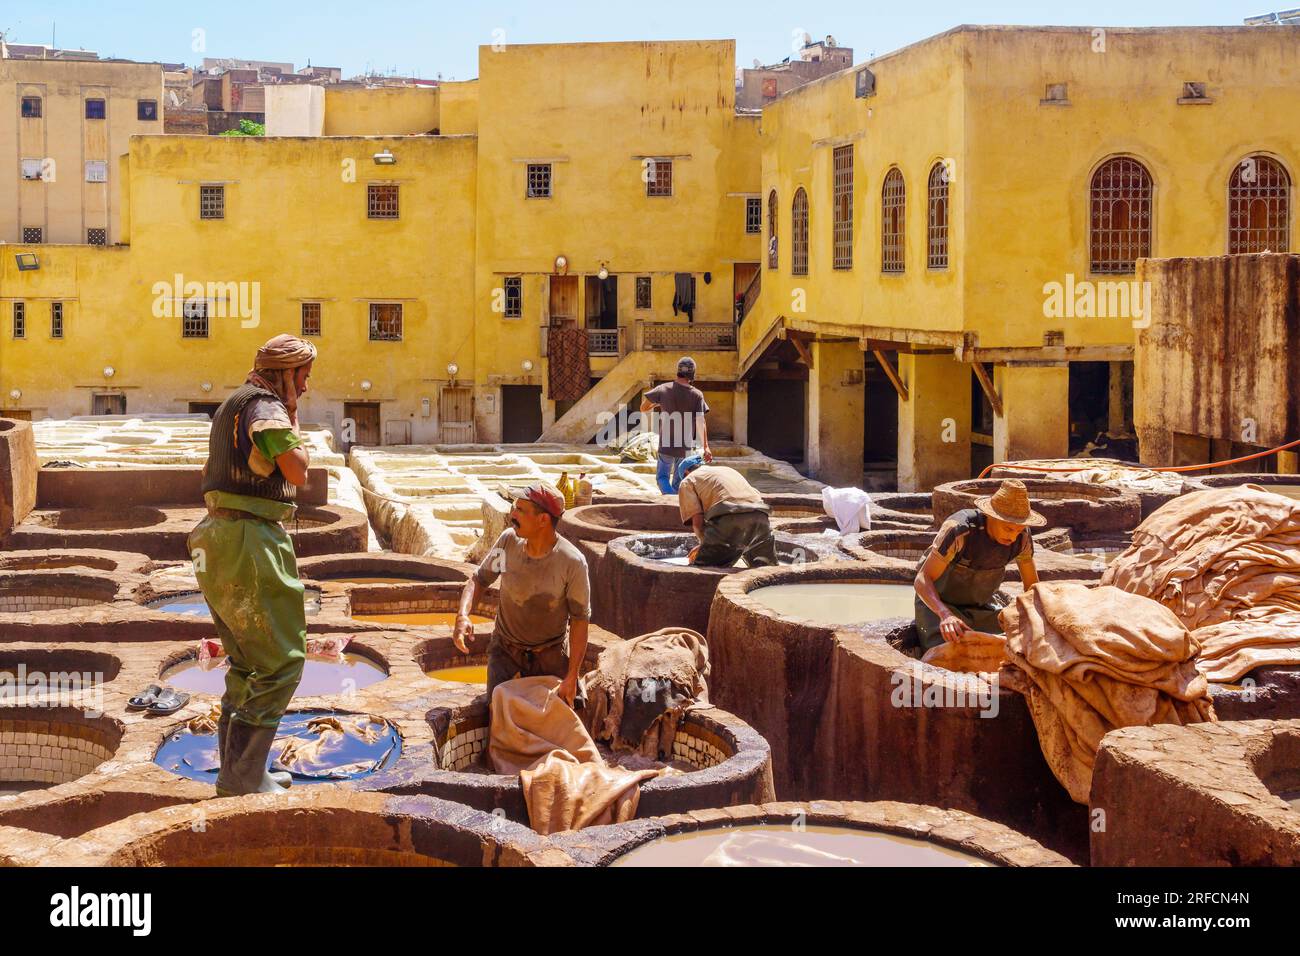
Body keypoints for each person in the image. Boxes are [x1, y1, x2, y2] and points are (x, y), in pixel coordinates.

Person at [187, 333, 316, 796]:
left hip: (220, 536)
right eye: (302, 377)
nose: (304, 387)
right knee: (282, 662)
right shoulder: (264, 405)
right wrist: (298, 433)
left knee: (245, 661)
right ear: (285, 373)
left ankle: (237, 771)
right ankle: (244, 776)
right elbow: (297, 470)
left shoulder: (233, 404)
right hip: (250, 539)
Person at [453, 483, 591, 707]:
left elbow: (580, 619)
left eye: (520, 510)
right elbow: (479, 580)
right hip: (505, 652)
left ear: (543, 520)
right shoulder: (508, 542)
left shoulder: (572, 563)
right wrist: (462, 616)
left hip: (550, 656)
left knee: (560, 717)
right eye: (514, 508)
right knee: (497, 712)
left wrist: (572, 676)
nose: (512, 515)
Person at [913, 479, 1044, 651]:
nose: (1013, 537)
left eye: (1018, 530)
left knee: (1017, 643)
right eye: (1008, 529)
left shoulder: (1022, 538)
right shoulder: (960, 530)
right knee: (949, 653)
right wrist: (945, 615)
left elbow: (1031, 586)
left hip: (982, 607)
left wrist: (1036, 618)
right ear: (991, 516)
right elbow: (922, 579)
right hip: (940, 606)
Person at [676, 454, 777, 568]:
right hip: (761, 518)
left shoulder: (688, 481)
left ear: (685, 473)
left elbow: (697, 523)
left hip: (730, 520)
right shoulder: (727, 470)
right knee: (766, 571)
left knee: (701, 570)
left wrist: (706, 546)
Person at [641, 356, 712, 494]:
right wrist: (706, 447)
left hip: (666, 443)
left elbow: (643, 408)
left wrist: (658, 402)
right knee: (680, 480)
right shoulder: (697, 395)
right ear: (692, 374)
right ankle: (676, 504)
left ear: (678, 371)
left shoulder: (663, 389)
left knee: (662, 478)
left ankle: (671, 499)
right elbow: (700, 421)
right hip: (685, 446)